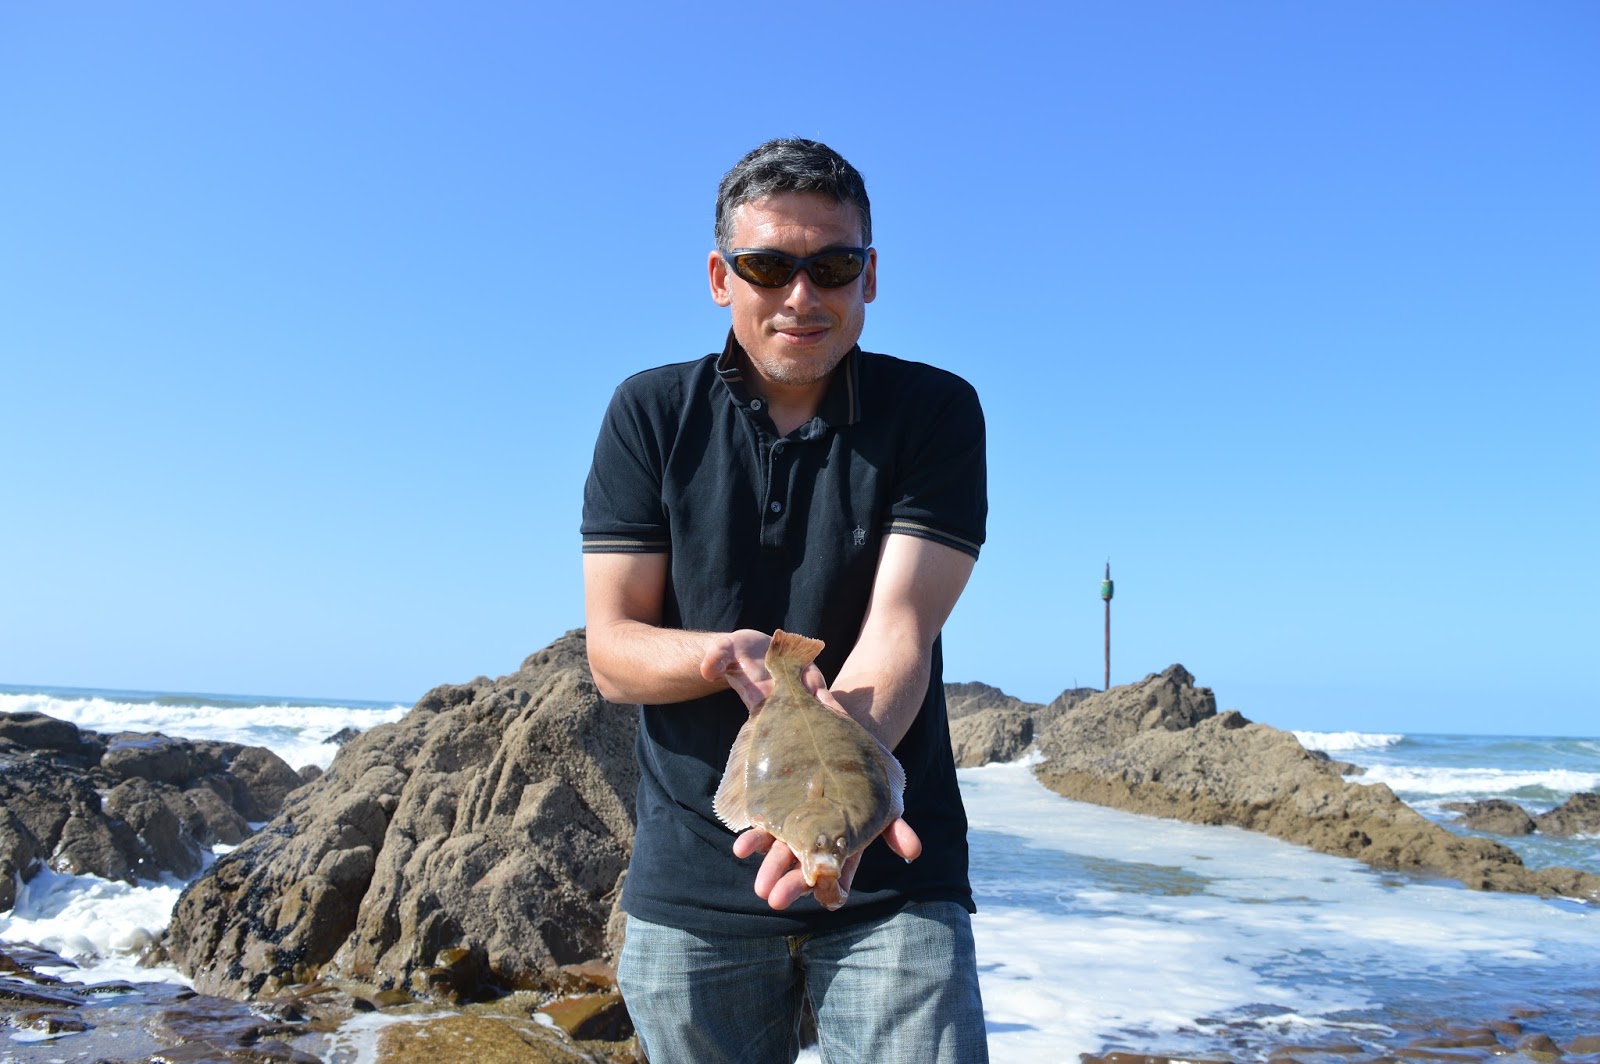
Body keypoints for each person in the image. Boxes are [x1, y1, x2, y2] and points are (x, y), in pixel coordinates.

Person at [581, 137, 989, 1064]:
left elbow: (902, 627)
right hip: (692, 878)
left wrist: (835, 819)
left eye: (833, 266)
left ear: (869, 278)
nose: (802, 295)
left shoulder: (935, 413)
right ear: (723, 277)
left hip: (892, 875)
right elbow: (613, 651)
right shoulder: (649, 413)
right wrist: (721, 656)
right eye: (769, 266)